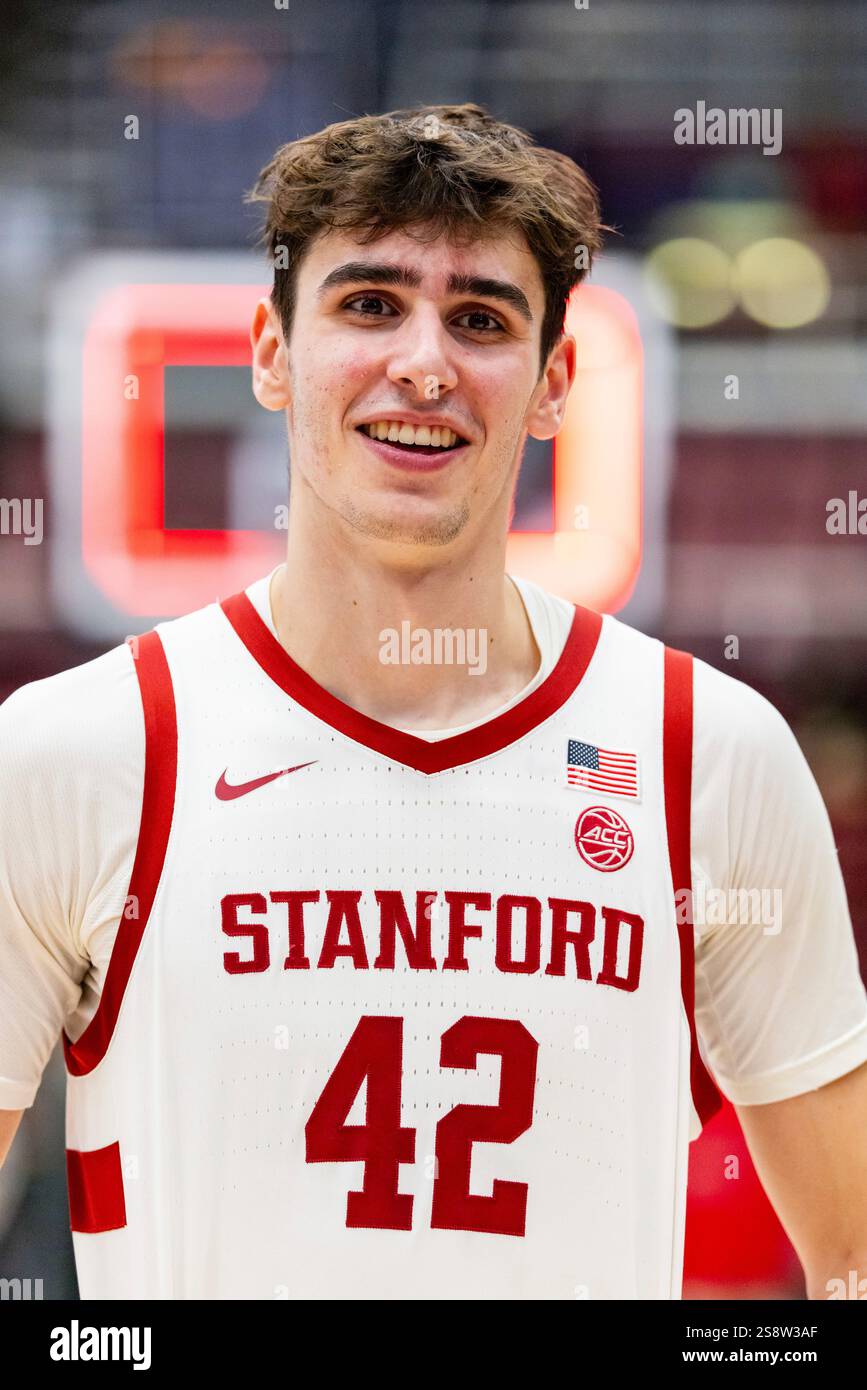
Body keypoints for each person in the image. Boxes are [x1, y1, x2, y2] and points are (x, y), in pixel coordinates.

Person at [1, 103, 866, 1300]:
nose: (425, 362)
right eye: (369, 304)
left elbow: (852, 1260)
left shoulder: (704, 752)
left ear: (558, 381)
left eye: (480, 318)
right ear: (269, 352)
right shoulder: (77, 750)